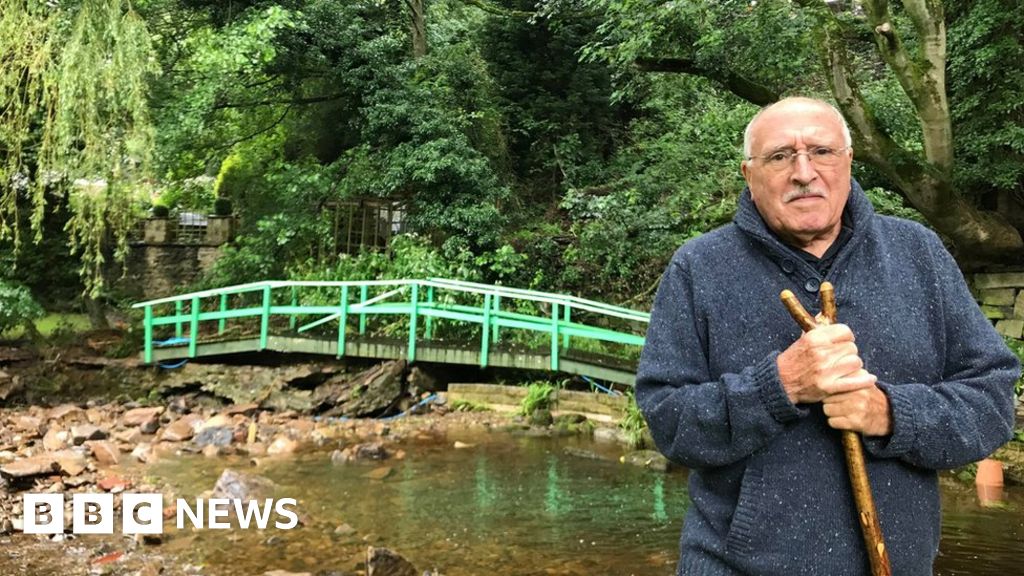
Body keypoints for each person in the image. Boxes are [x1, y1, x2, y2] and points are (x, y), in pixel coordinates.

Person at [635, 97, 1019, 576]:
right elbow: (669, 422)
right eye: (779, 156)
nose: (803, 172)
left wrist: (890, 415)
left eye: (822, 151)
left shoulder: (917, 254)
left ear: (849, 161)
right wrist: (779, 386)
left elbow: (992, 401)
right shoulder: (700, 268)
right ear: (748, 173)